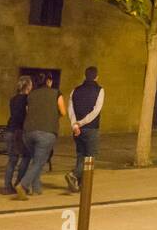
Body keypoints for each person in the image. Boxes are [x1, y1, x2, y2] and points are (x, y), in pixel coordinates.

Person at [14, 73, 65, 199]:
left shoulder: (31, 95)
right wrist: (53, 116)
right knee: (39, 161)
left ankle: (36, 188)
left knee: (37, 160)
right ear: (48, 81)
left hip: (28, 132)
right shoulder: (56, 93)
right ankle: (23, 185)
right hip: (47, 132)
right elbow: (63, 111)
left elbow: (28, 111)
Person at [65, 66, 104, 194]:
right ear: (96, 76)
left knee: (80, 155)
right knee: (90, 157)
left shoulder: (75, 90)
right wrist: (82, 123)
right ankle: (74, 175)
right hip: (91, 128)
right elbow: (96, 111)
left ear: (85, 75)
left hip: (77, 129)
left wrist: (75, 125)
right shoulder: (100, 90)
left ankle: (79, 184)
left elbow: (70, 109)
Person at [3, 75, 33, 194]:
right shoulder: (28, 99)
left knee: (12, 159)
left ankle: (7, 186)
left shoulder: (13, 99)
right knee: (26, 156)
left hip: (9, 130)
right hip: (19, 131)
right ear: (28, 86)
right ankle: (19, 183)